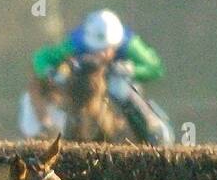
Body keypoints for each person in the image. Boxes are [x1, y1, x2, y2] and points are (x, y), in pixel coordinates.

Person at [24, 9, 169, 143]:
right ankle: (47, 128)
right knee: (38, 84)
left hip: (116, 78)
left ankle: (150, 128)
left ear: (116, 45)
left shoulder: (130, 44)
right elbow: (41, 57)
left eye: (105, 50)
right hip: (82, 79)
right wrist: (51, 73)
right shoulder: (76, 42)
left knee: (119, 89)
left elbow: (155, 68)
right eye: (94, 50)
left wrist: (132, 70)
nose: (99, 55)